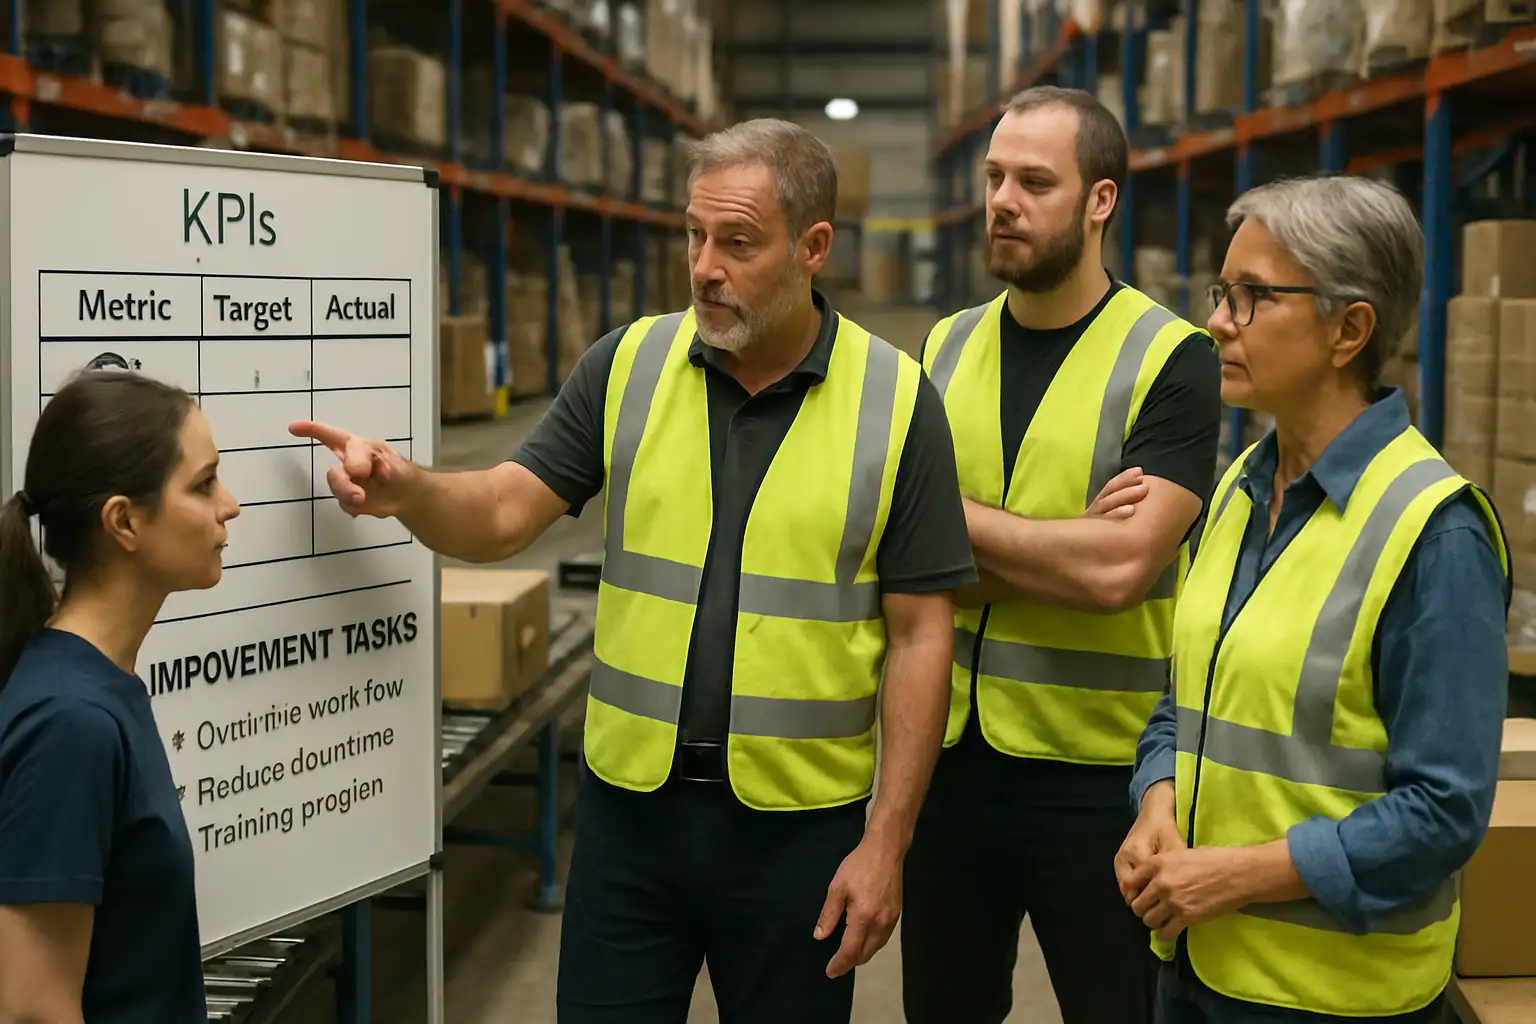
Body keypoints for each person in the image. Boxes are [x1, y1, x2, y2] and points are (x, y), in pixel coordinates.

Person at [292, 117, 975, 1023]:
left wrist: (885, 846)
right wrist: (406, 489)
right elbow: (503, 510)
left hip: (798, 838)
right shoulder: (630, 365)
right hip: (630, 825)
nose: (704, 267)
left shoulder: (896, 401)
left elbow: (924, 636)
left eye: (737, 242)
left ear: (814, 248)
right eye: (694, 236)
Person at [1117, 174, 1511, 1022]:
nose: (1218, 320)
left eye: (1255, 296)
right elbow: (1184, 705)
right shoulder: (1234, 493)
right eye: (1223, 292)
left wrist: (1233, 873)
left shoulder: (1433, 533)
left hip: (1331, 997)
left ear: (1348, 329)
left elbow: (1443, 812)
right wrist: (1155, 807)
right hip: (1197, 970)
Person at [901, 85, 1223, 1024]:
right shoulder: (943, 348)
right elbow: (895, 553)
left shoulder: (1173, 359)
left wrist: (942, 527)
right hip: (947, 760)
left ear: (1100, 201)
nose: (1003, 199)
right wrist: (1061, 548)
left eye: (1034, 182)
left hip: (1102, 779)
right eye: (995, 177)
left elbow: (1118, 572)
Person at [0, 370, 240, 1022]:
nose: (231, 506)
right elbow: (31, 1009)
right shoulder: (70, 724)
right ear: (124, 520)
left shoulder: (100, 686)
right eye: (203, 484)